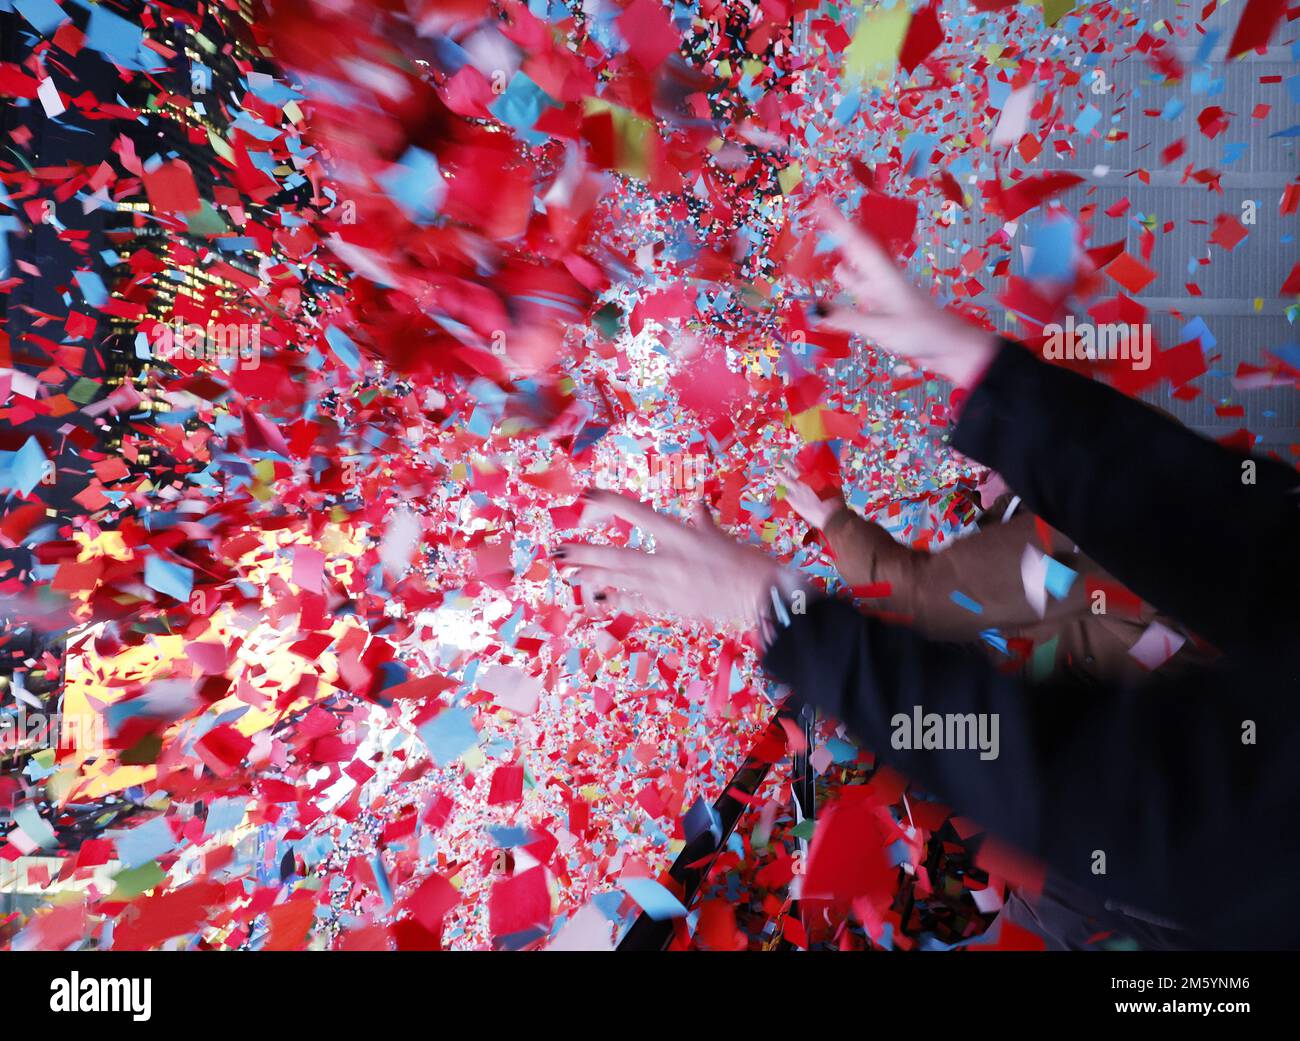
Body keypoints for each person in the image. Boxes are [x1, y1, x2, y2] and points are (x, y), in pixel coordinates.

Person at [556, 201, 1300, 949]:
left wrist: (781, 608)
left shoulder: (1019, 568)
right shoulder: (1034, 557)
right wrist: (991, 379)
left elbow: (1109, 789)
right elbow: (1256, 544)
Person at [779, 464, 1202, 684]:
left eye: (991, 468)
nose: (978, 475)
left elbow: (924, 596)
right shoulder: (1075, 523)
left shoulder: (1053, 551)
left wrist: (831, 519)